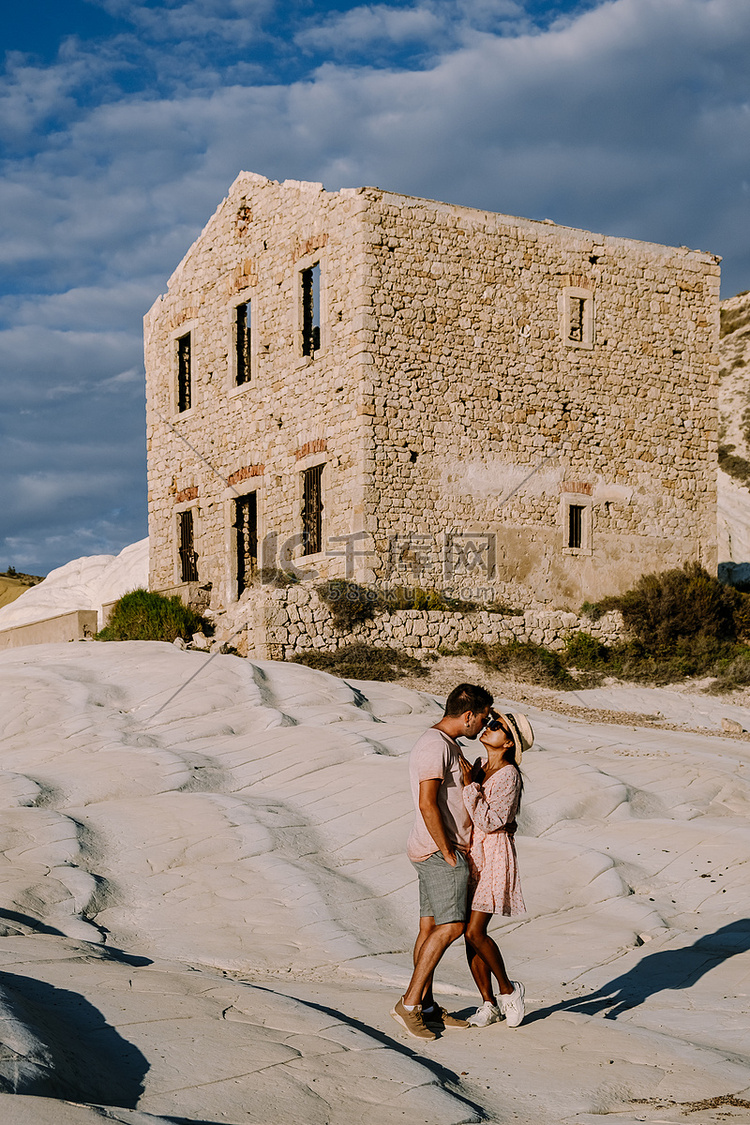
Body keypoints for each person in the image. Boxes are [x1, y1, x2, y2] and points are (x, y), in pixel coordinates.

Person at [390, 683, 493, 1041]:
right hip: (439, 850)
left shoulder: (445, 745)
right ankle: (409, 1005)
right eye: (481, 719)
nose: (482, 726)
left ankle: (427, 1006)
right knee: (451, 926)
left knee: (430, 927)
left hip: (433, 848)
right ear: (467, 715)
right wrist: (448, 851)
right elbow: (427, 802)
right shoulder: (435, 746)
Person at [458, 710, 534, 1028]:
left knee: (476, 931)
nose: (489, 728)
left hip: (494, 855)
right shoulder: (481, 766)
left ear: (508, 743)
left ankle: (508, 990)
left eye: (497, 726)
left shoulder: (508, 775)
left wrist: (469, 787)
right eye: (490, 723)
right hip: (472, 853)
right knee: (468, 935)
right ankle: (488, 1003)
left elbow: (491, 821)